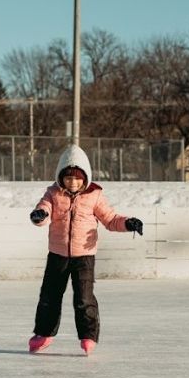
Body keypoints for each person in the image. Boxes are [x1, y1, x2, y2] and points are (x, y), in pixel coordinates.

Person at [27, 144, 143, 356]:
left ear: (85, 178)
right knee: (49, 296)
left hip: (84, 257)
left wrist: (128, 223)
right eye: (68, 178)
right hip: (57, 255)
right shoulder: (53, 193)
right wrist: (39, 215)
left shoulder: (94, 195)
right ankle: (44, 334)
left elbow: (110, 219)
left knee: (84, 298)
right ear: (61, 177)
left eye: (77, 178)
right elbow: (44, 209)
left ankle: (88, 336)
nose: (73, 182)